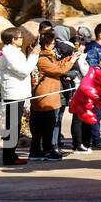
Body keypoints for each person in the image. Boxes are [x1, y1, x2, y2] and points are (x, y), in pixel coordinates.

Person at [31, 31, 77, 161]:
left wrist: (70, 58)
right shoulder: (41, 58)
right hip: (45, 96)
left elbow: (57, 65)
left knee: (46, 125)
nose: (54, 45)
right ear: (45, 45)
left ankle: (40, 151)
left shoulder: (48, 56)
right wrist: (72, 61)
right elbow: (58, 70)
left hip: (49, 94)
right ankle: (45, 151)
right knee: (46, 126)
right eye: (51, 43)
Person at [0, 27, 38, 166]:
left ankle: (11, 154)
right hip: (13, 94)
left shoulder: (13, 51)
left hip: (18, 93)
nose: (22, 39)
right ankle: (9, 156)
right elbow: (23, 71)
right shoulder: (8, 53)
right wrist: (34, 55)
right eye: (20, 37)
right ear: (13, 40)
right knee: (12, 126)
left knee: (14, 125)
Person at [84, 24, 101, 150]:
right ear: (100, 35)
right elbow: (92, 68)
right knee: (94, 112)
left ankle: (94, 138)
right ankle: (94, 139)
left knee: (98, 113)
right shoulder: (93, 49)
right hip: (94, 86)